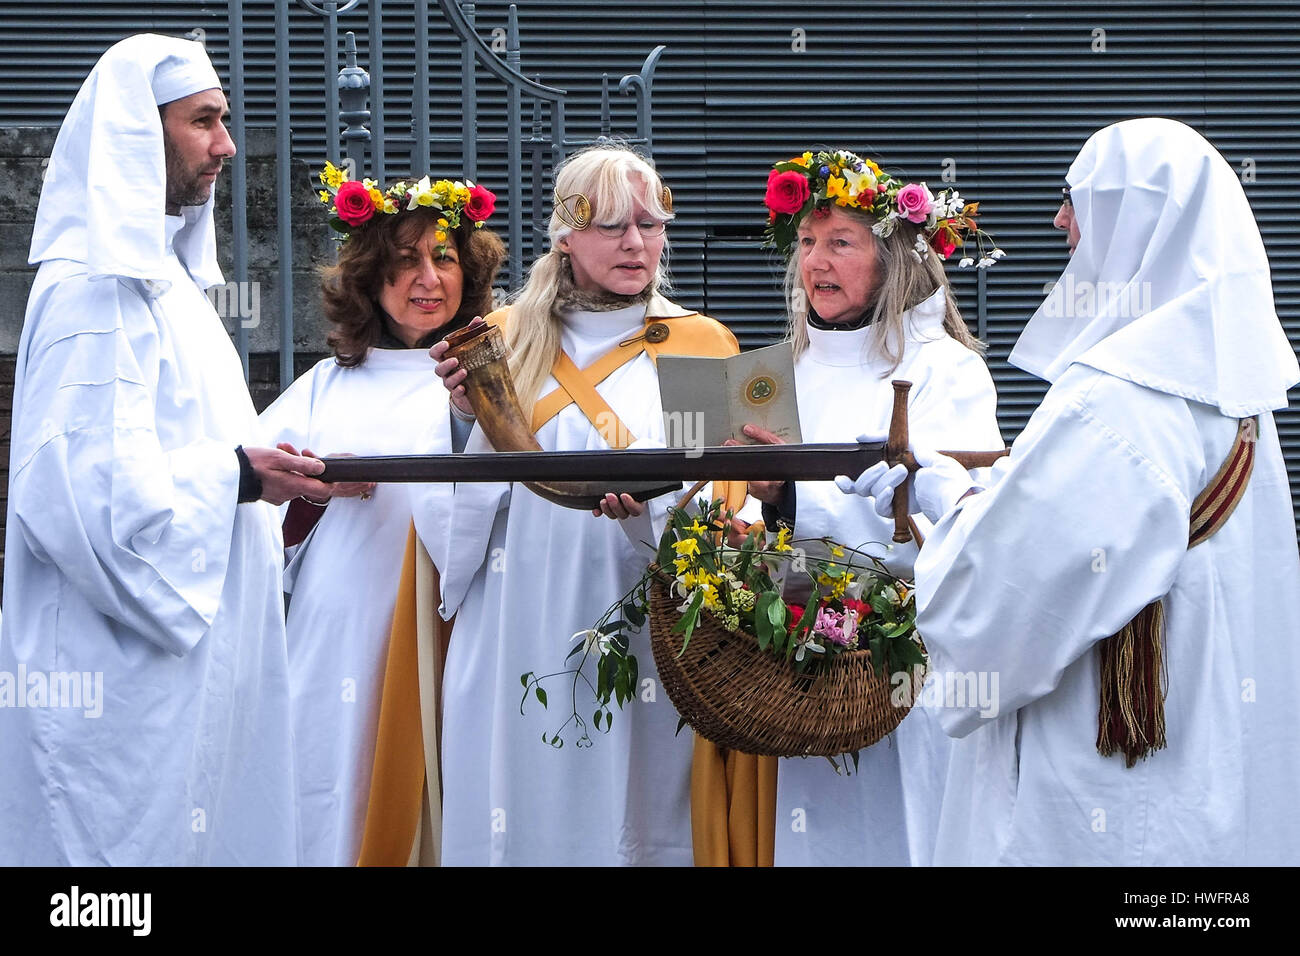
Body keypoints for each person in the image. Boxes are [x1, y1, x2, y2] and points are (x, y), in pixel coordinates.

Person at [847, 117, 1300, 865]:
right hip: (1205, 769)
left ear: (1136, 218)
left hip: (1103, 799)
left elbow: (1000, 605)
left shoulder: (1117, 403)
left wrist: (953, 503)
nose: (1059, 219)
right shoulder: (1232, 392)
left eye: (1074, 199)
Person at [0, 34, 331, 865]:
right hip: (127, 682)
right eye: (204, 122)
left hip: (195, 669)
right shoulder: (92, 289)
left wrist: (262, 488)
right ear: (135, 134)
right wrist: (238, 478)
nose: (225, 144)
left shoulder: (166, 286)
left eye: (224, 121)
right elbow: (76, 496)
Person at [428, 143, 742, 865]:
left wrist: (652, 510)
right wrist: (465, 419)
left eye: (650, 223)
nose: (636, 243)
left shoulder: (703, 344)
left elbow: (732, 504)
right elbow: (454, 514)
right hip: (520, 614)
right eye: (610, 225)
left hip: (647, 620)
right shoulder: (497, 342)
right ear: (566, 236)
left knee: (641, 803)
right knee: (522, 791)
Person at [741, 148, 1003, 866]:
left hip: (906, 671)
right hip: (801, 673)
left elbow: (958, 519)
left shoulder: (945, 368)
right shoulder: (773, 372)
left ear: (890, 258)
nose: (816, 261)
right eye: (805, 243)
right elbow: (721, 505)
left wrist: (791, 495)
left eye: (840, 243)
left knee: (909, 836)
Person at [259, 168, 505, 865]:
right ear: (370, 277)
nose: (427, 278)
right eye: (404, 261)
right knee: (337, 783)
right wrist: (311, 493)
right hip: (340, 627)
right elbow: (249, 512)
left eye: (444, 258)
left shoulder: (484, 375)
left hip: (453, 627)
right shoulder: (325, 386)